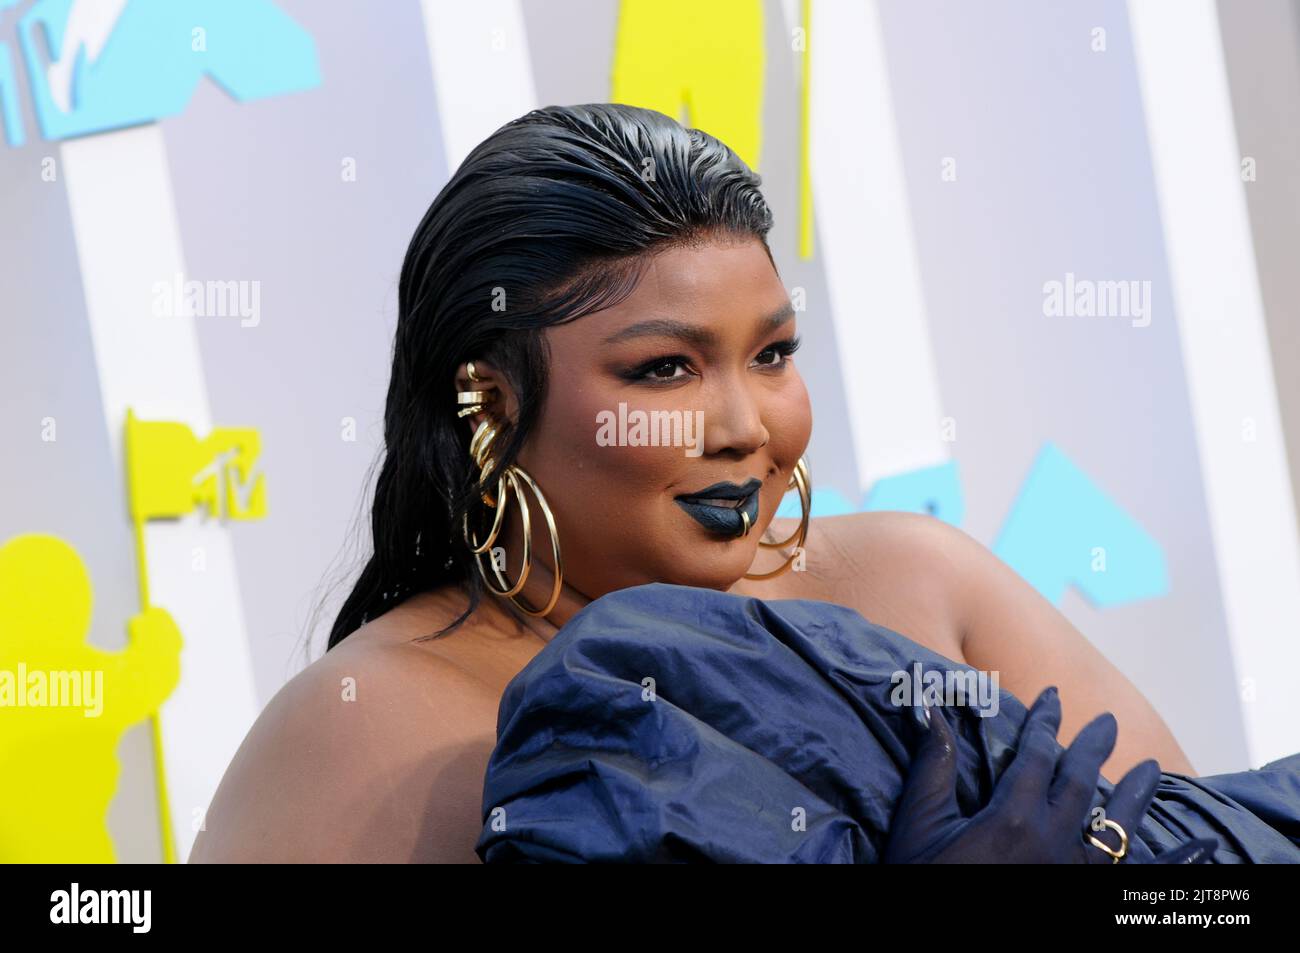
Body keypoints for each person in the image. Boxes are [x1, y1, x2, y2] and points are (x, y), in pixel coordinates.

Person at [190, 103, 1224, 865]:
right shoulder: (362, 726)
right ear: (491, 404)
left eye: (771, 354)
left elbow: (1216, 867)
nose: (744, 426)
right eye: (665, 369)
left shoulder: (923, 584)